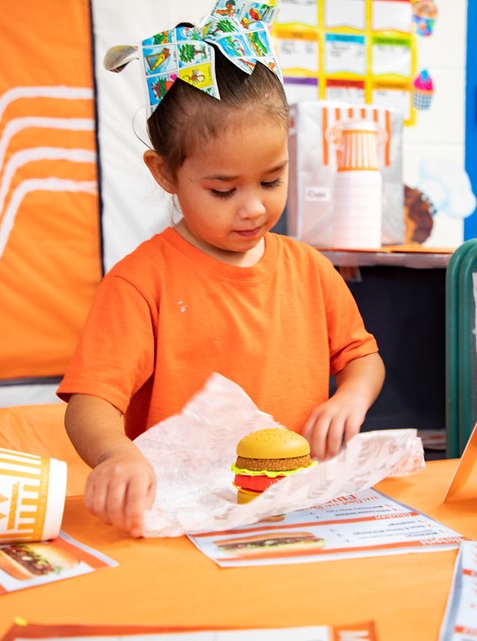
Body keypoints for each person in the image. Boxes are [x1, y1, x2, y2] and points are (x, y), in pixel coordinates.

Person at [58, 1, 385, 538]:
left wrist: (350, 397)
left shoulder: (309, 269)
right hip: (180, 519)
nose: (253, 207)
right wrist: (115, 454)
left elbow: (362, 358)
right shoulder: (141, 282)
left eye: (272, 180)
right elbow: (89, 404)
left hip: (292, 511)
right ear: (165, 173)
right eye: (223, 190)